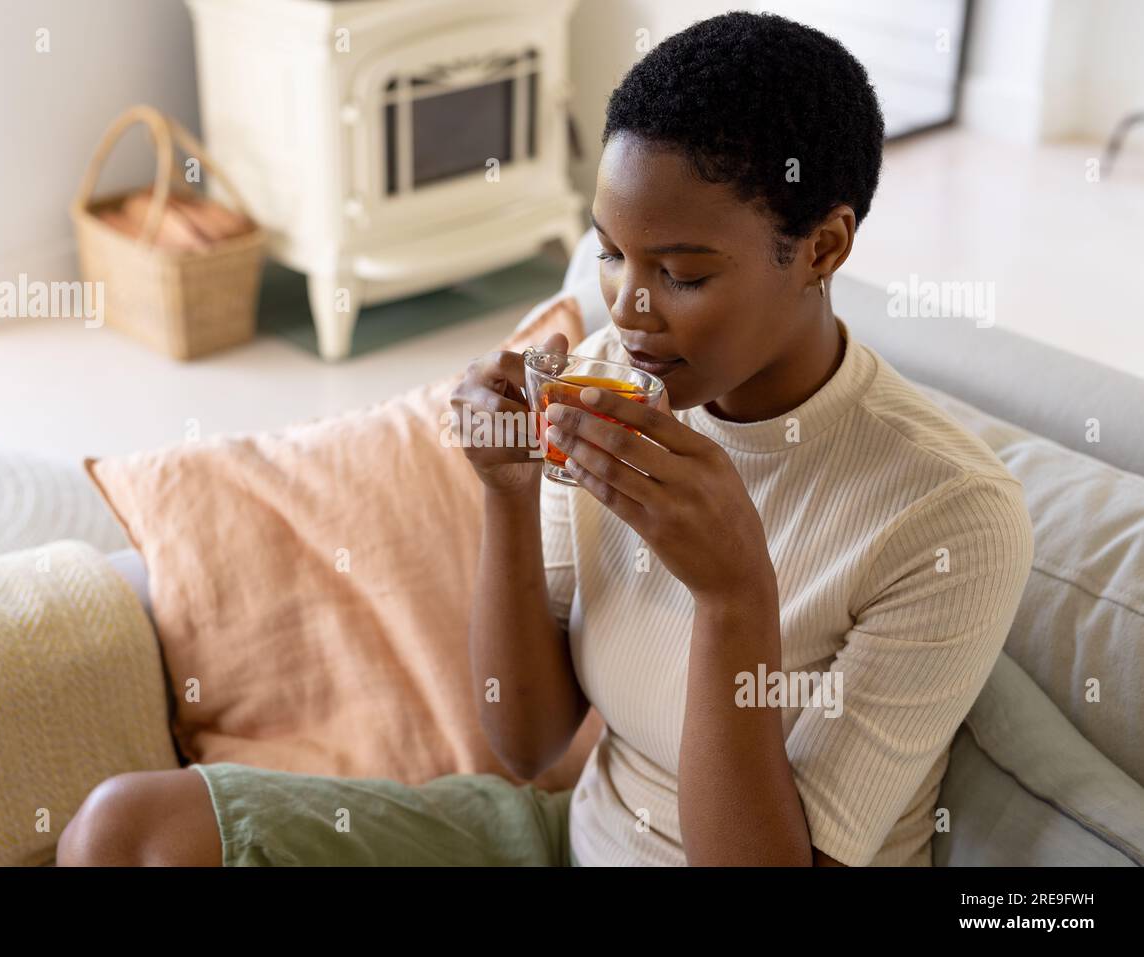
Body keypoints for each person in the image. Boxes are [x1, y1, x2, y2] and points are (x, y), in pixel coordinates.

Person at [57, 11, 1033, 867]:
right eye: (611, 256)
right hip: (566, 838)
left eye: (684, 273)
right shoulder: (607, 377)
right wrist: (507, 492)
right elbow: (526, 744)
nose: (631, 311)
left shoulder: (950, 517)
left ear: (822, 247)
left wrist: (735, 597)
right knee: (128, 832)